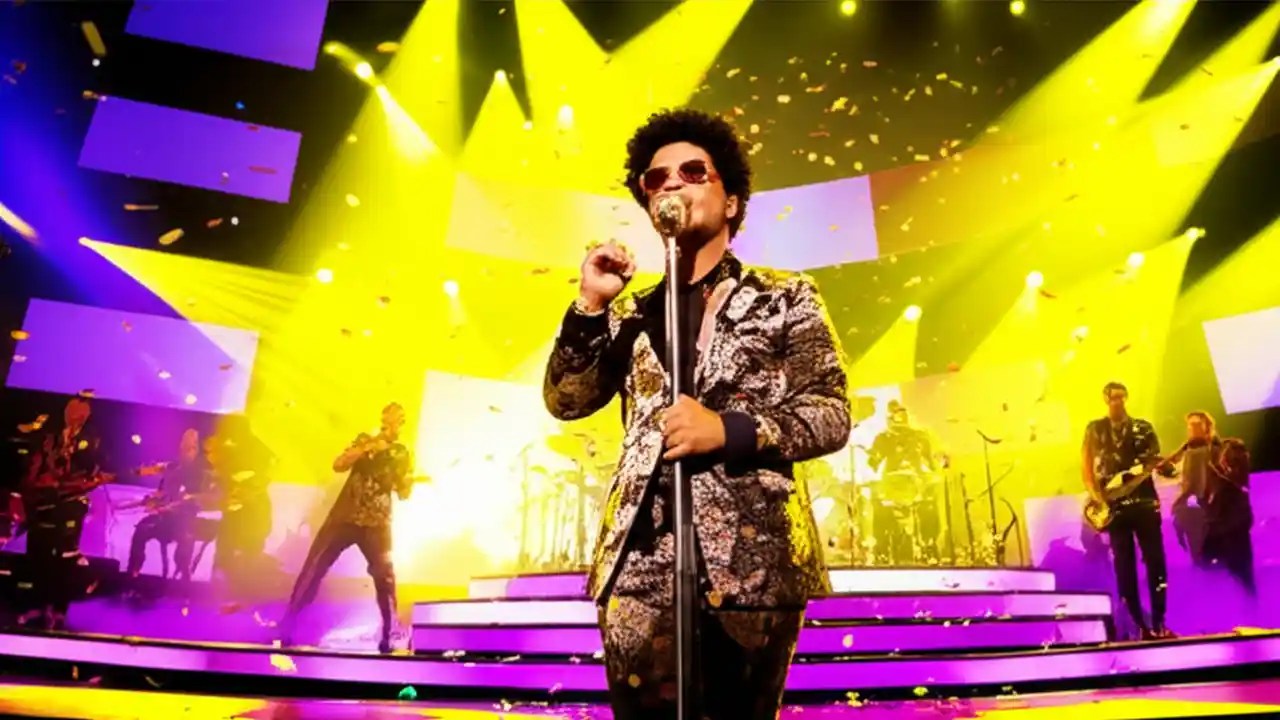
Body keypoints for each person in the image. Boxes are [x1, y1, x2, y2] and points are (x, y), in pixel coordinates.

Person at [543, 108, 851, 719]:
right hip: (640, 564)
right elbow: (567, 400)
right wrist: (588, 305)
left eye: (692, 171)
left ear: (730, 200)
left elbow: (831, 413)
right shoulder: (629, 310)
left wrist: (730, 431)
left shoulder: (785, 295)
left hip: (751, 566)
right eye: (655, 179)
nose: (672, 184)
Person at [278, 403, 413, 653]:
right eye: (387, 420)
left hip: (377, 521)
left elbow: (404, 492)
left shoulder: (401, 453)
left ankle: (389, 633)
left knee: (384, 578)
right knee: (314, 567)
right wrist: (365, 448)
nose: (390, 425)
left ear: (402, 424)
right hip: (344, 516)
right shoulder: (364, 440)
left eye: (396, 421)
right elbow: (339, 464)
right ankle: (287, 624)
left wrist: (403, 480)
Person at [1081, 382, 1174, 640]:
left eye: (1122, 397)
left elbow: (1154, 460)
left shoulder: (1143, 427)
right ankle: (1138, 624)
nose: (1118, 402)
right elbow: (1086, 467)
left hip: (1144, 502)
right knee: (1124, 565)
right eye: (1113, 398)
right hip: (1114, 507)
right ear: (1105, 399)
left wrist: (1165, 468)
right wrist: (1097, 499)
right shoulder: (1095, 429)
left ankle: (1159, 621)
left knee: (1156, 562)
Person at [17, 396, 105, 629]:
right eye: (74, 410)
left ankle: (58, 608)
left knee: (64, 559)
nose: (78, 416)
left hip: (70, 503)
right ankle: (37, 605)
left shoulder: (91, 440)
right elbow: (36, 465)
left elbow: (89, 471)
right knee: (37, 554)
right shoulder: (50, 436)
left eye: (83, 412)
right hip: (43, 501)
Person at [124, 429, 210, 589]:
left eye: (191, 446)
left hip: (185, 519)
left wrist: (176, 506)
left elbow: (198, 500)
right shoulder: (171, 466)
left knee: (186, 536)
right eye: (183, 444)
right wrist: (134, 473)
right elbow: (152, 473)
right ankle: (133, 572)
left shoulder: (200, 474)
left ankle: (184, 582)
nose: (186, 450)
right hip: (165, 519)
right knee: (142, 529)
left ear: (196, 450)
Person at [1201, 438, 1255, 595]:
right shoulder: (1230, 479)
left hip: (1229, 528)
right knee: (1242, 572)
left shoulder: (1229, 481)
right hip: (1233, 526)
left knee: (1238, 570)